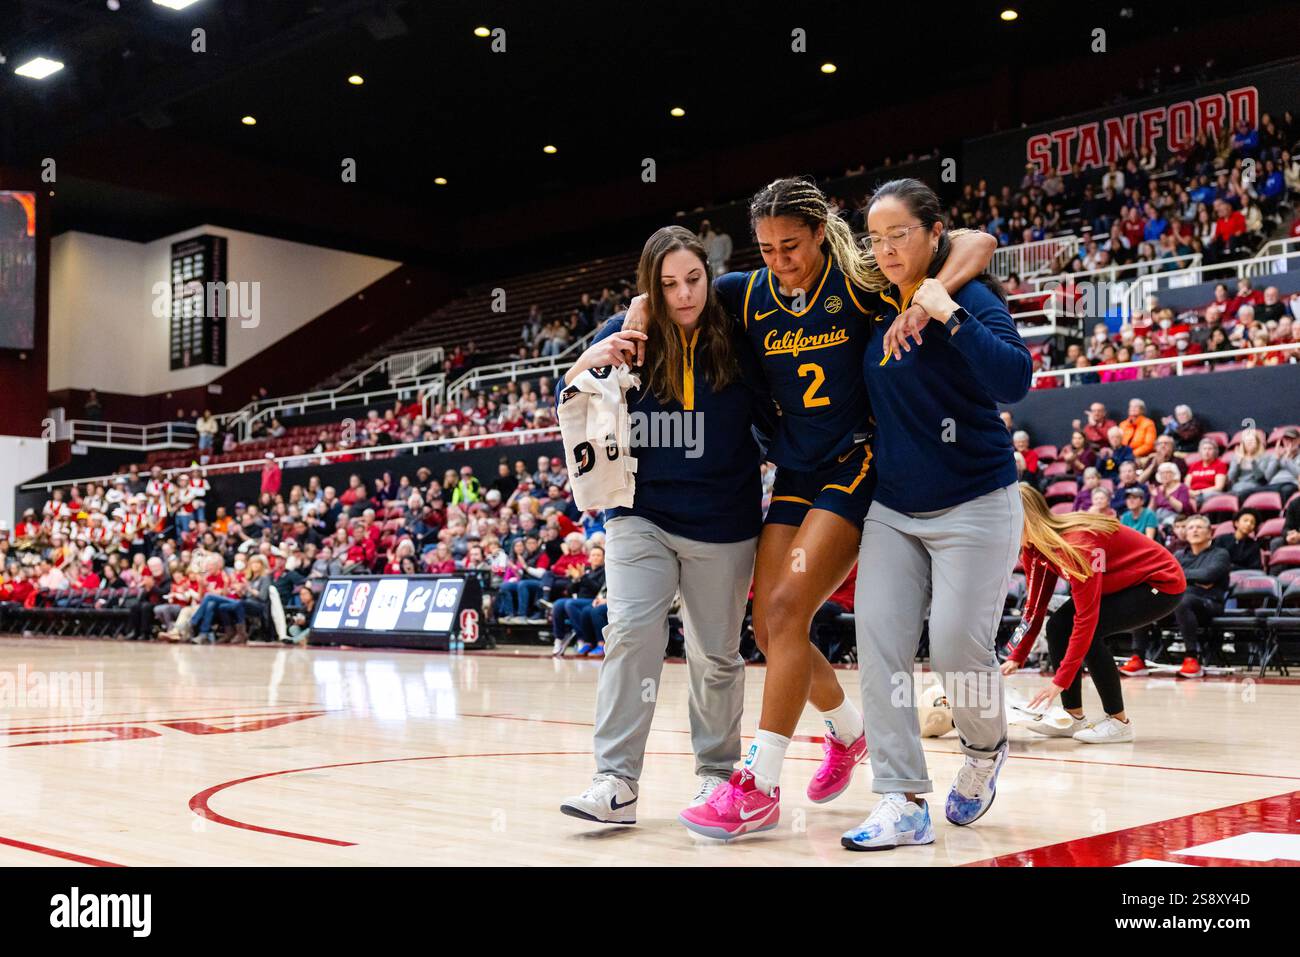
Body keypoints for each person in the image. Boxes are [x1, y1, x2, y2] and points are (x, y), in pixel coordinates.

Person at [617, 179, 996, 840]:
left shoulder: (858, 279)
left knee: (790, 608)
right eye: (765, 248)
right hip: (794, 468)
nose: (778, 259)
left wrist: (936, 294)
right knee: (768, 626)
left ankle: (759, 782)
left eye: (791, 245)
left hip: (857, 462)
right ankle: (848, 732)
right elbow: (681, 286)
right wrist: (639, 307)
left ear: (821, 234)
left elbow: (974, 241)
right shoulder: (746, 291)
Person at [559, 225, 771, 825]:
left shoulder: (737, 326)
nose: (684, 295)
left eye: (694, 279)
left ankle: (716, 777)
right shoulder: (625, 334)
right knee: (629, 634)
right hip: (639, 513)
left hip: (723, 521)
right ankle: (616, 781)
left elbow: (771, 415)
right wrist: (586, 362)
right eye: (669, 284)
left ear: (711, 275)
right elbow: (568, 396)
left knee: (716, 655)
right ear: (652, 287)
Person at [845, 178, 1029, 852]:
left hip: (978, 499)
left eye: (900, 234)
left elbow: (1015, 379)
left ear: (931, 232)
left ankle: (983, 749)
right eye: (877, 237)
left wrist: (944, 309)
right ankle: (901, 798)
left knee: (955, 644)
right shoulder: (870, 298)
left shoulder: (971, 295)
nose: (887, 249)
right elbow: (976, 240)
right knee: (881, 643)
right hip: (894, 507)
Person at [1002, 486, 1185, 743]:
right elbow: (1034, 607)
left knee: (1091, 632)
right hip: (1122, 582)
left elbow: (1086, 619)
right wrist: (1016, 655)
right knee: (1057, 626)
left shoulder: (1078, 544)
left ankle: (1119, 722)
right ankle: (1072, 718)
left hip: (1160, 584)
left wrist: (1060, 680)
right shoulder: (1035, 546)